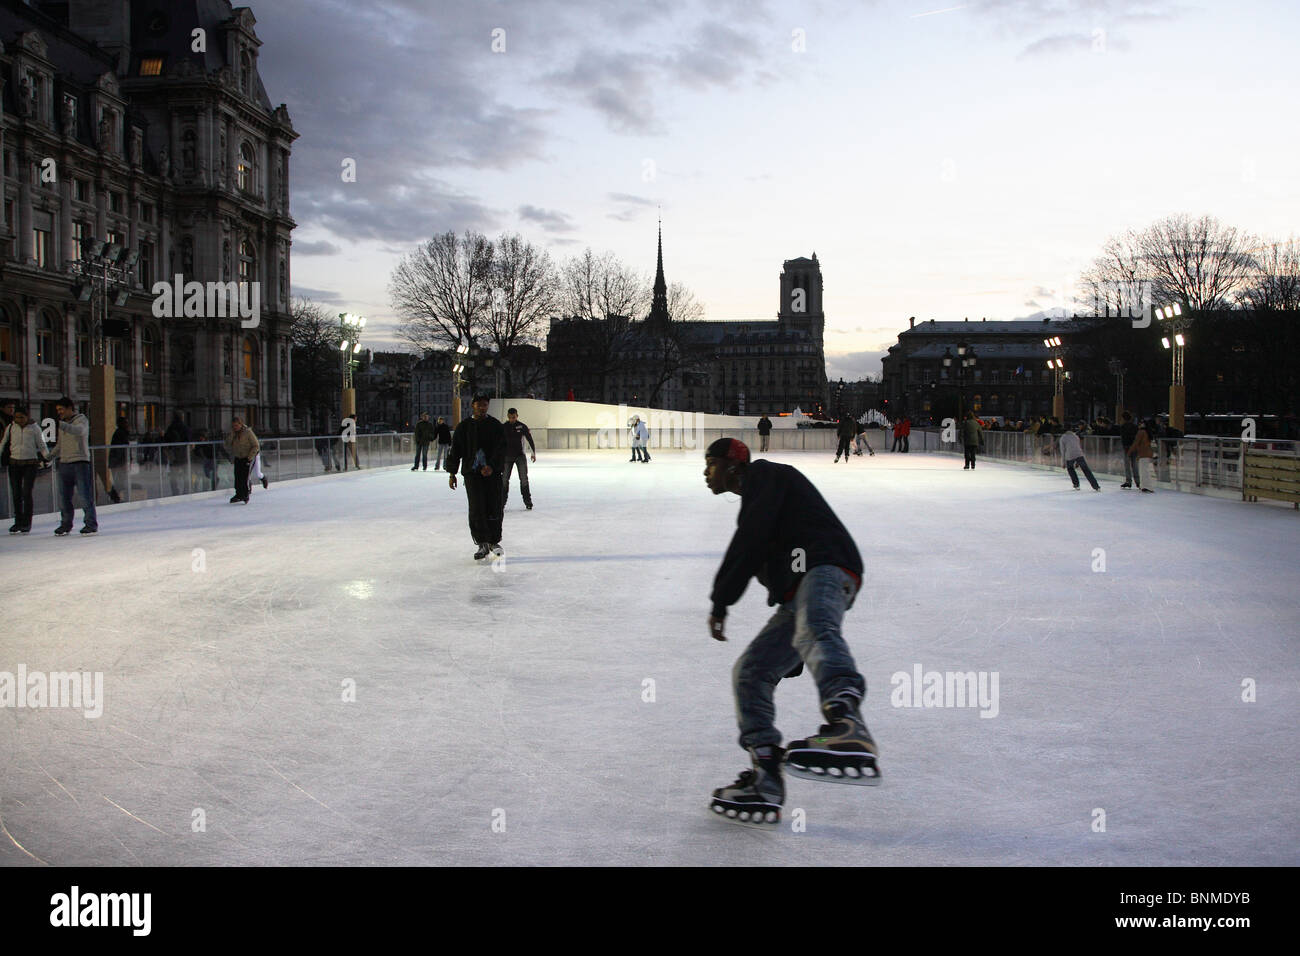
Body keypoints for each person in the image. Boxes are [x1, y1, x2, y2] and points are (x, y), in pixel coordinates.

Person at [703, 437, 878, 826]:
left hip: (827, 566)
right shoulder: (760, 501)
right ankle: (765, 776)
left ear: (733, 466)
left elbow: (747, 545)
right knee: (749, 672)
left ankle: (847, 723)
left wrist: (721, 601)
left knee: (815, 628)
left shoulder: (765, 477)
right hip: (800, 591)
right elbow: (766, 555)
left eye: (710, 463)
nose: (705, 472)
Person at [446, 394, 507, 560]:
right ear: (473, 405)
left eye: (485, 405)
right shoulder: (464, 427)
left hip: (492, 474)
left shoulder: (495, 426)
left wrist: (492, 467)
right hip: (472, 475)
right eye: (479, 405)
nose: (482, 408)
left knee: (494, 506)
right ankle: (482, 542)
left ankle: (494, 541)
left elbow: (501, 449)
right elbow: (455, 451)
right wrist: (452, 473)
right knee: (476, 508)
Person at [52, 397, 97, 535]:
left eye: (61, 409)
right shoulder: (62, 424)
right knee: (64, 498)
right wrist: (47, 457)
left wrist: (60, 425)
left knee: (84, 496)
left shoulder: (81, 420)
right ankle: (65, 524)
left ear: (70, 408)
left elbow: (79, 431)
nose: (59, 412)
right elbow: (59, 445)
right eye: (57, 410)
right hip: (64, 463)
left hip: (80, 463)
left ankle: (90, 524)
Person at [2, 406, 49, 533]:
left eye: (21, 417)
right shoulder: (11, 427)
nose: (19, 420)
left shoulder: (35, 428)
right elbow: (3, 442)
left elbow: (42, 445)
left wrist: (48, 458)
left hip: (30, 464)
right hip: (14, 464)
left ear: (27, 417)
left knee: (26, 493)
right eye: (16, 417)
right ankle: (18, 522)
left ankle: (26, 523)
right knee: (16, 493)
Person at [502, 407, 536, 510]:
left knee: (524, 479)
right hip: (507, 457)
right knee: (504, 480)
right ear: (508, 417)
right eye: (511, 417)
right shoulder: (504, 427)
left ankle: (527, 501)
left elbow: (529, 439)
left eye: (514, 417)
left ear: (517, 416)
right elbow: (498, 441)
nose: (513, 419)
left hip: (520, 456)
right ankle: (501, 502)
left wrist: (533, 452)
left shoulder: (522, 426)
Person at [223, 417, 260, 504]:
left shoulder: (248, 432)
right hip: (238, 457)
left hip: (247, 457)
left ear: (241, 424)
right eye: (233, 426)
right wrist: (232, 434)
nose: (235, 427)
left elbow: (256, 445)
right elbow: (227, 444)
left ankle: (245, 493)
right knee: (237, 476)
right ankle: (238, 494)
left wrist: (250, 458)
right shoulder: (233, 433)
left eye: (236, 425)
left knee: (245, 477)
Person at [1059, 422, 1101, 491]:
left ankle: (1076, 484)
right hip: (1079, 454)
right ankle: (1096, 486)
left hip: (1070, 456)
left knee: (1070, 468)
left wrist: (1063, 462)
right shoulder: (1075, 436)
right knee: (1086, 470)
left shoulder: (1063, 438)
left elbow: (1062, 450)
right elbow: (1078, 446)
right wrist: (1078, 462)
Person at [162, 412, 191, 495]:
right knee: (186, 474)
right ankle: (186, 490)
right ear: (182, 417)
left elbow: (165, 440)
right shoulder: (184, 428)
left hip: (173, 455)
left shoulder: (170, 428)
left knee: (173, 475)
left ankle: (175, 491)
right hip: (183, 454)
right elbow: (188, 439)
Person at [1129, 419, 1156, 493]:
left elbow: (1136, 442)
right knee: (1144, 470)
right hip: (1146, 453)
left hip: (1143, 454)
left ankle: (1147, 486)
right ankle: (1144, 485)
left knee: (1143, 470)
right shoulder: (1147, 432)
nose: (1139, 425)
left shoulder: (1141, 432)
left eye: (1140, 423)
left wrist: (1129, 451)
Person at [109, 416, 130, 503]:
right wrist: (123, 462)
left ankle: (115, 496)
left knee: (120, 480)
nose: (127, 425)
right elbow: (120, 450)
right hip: (118, 462)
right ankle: (114, 495)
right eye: (126, 423)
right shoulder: (121, 434)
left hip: (117, 461)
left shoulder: (121, 433)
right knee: (120, 480)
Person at [1118, 411, 1140, 489]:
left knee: (1128, 465)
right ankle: (1138, 482)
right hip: (1134, 447)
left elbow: (1124, 438)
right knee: (1134, 464)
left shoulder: (1123, 427)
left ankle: (1129, 481)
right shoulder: (1135, 426)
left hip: (1127, 447)